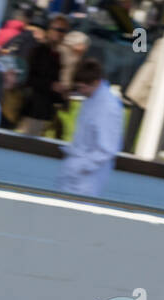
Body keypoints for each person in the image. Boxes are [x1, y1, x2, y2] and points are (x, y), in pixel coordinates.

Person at [59, 58, 124, 197]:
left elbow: (107, 149)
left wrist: (81, 166)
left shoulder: (108, 107)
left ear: (96, 82)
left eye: (83, 87)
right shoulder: (90, 100)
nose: (80, 91)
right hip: (76, 168)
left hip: (88, 177)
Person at [18, 15, 68, 137]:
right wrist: (52, 85)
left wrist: (62, 96)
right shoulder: (38, 51)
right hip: (32, 109)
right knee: (25, 145)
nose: (60, 34)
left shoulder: (57, 54)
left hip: (44, 112)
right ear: (49, 30)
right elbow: (28, 78)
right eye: (58, 29)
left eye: (64, 31)